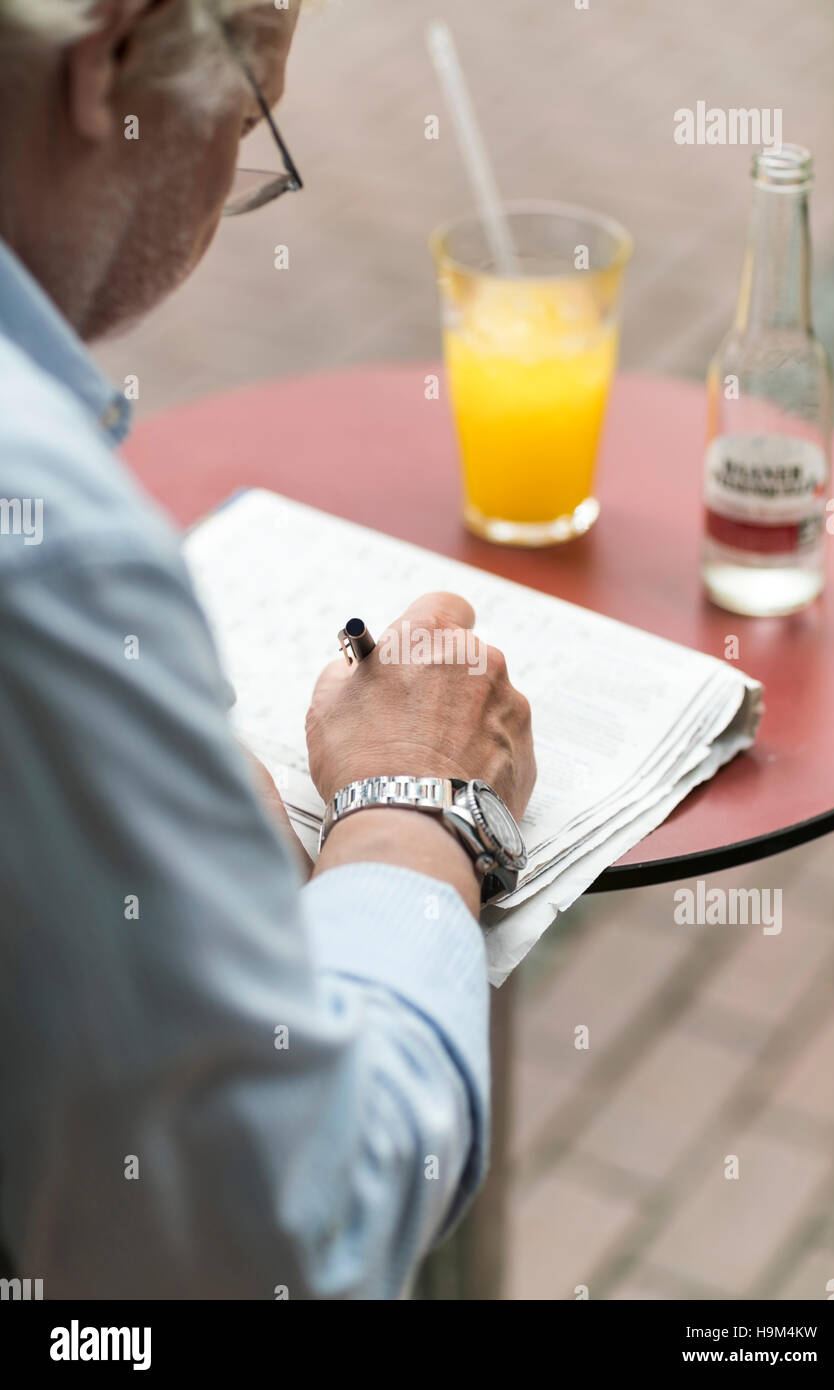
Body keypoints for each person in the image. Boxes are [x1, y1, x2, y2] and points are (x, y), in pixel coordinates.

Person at [0, 0, 535, 1298]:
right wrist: (414, 811)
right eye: (242, 124)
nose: (224, 189)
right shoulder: (47, 540)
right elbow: (286, 1242)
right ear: (112, 58)